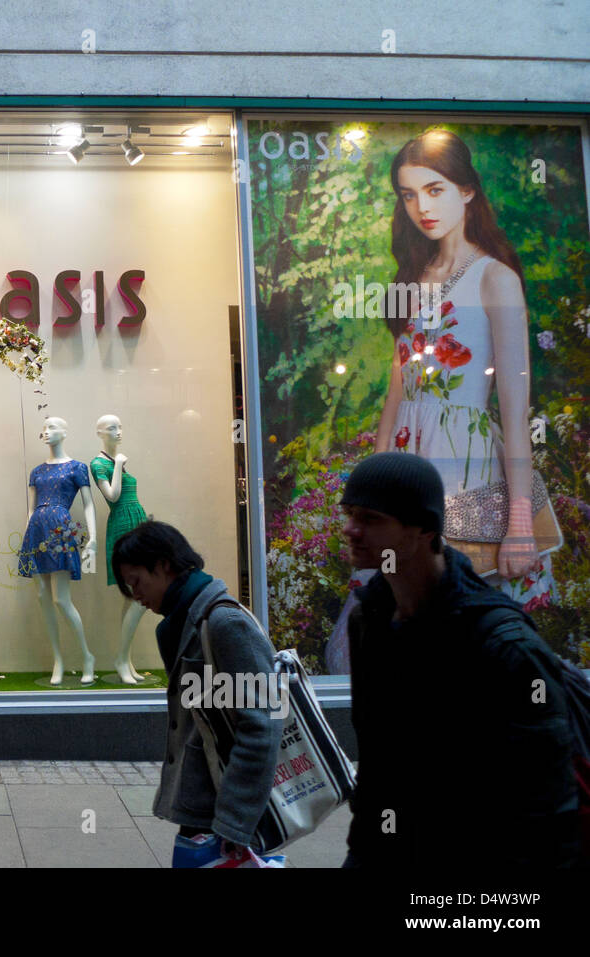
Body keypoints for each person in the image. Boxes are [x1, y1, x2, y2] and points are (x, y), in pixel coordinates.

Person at [339, 451, 577, 867]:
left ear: (423, 530)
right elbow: (379, 766)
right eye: (349, 513)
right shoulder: (370, 621)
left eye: (371, 518)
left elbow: (549, 813)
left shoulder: (504, 645)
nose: (351, 530)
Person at [373, 128, 555, 610]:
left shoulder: (496, 278)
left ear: (467, 190)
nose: (422, 207)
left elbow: (516, 412)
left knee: (462, 610)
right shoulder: (412, 275)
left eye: (435, 189)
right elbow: (398, 388)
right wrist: (374, 475)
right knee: (407, 609)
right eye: (409, 194)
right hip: (409, 462)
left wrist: (519, 521)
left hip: (466, 464)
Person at [112, 520, 282, 864]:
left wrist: (235, 825)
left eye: (136, 582)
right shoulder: (182, 622)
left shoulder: (224, 623)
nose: (136, 596)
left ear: (163, 565)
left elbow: (262, 724)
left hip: (227, 816)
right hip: (205, 810)